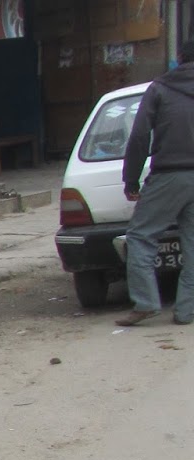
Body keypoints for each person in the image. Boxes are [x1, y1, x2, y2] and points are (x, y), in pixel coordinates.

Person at [119, 39, 194, 326]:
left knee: (140, 236)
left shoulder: (160, 88)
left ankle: (147, 302)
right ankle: (186, 311)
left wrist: (131, 179)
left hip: (169, 174)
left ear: (179, 59)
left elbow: (139, 137)